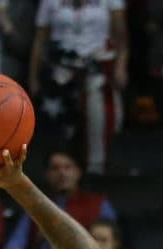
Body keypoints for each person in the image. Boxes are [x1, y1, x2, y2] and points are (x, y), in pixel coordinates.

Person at [28, 0, 126, 173]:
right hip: (60, 71)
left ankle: (96, 171)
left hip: (96, 68)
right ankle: (59, 177)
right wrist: (33, 77)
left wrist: (121, 67)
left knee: (97, 123)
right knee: (60, 134)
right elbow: (40, 40)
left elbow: (121, 37)